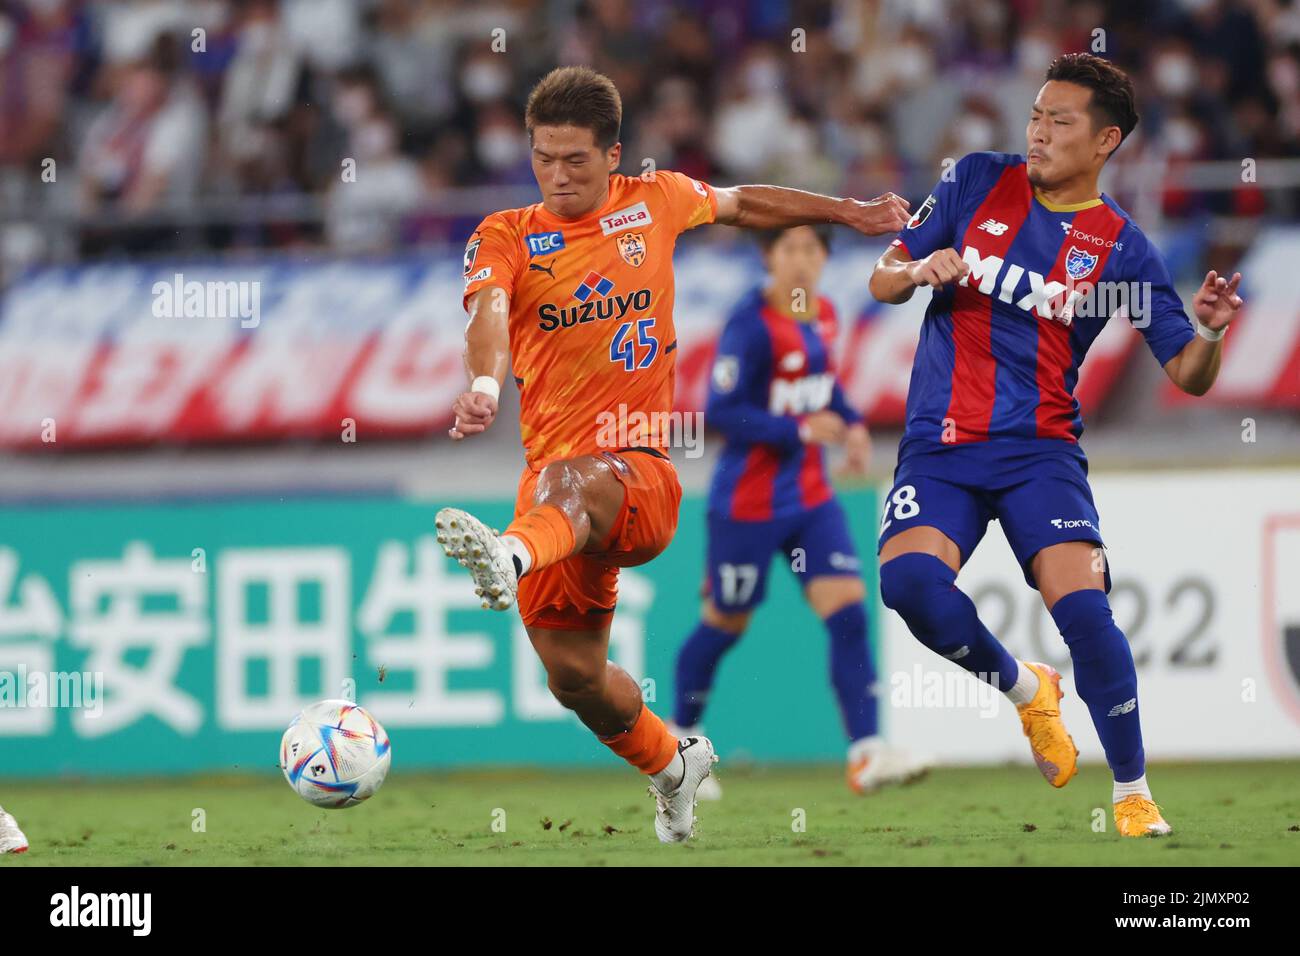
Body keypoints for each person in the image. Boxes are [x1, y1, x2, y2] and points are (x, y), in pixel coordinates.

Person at [437, 65, 909, 843]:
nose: (557, 176)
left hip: (639, 476)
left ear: (613, 155)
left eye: (575, 160)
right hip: (558, 495)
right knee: (575, 677)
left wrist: (848, 211)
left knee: (572, 481)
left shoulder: (654, 202)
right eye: (543, 158)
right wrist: (486, 382)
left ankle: (509, 554)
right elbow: (485, 313)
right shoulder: (504, 234)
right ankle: (672, 764)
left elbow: (746, 202)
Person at [869, 53, 1243, 838]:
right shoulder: (975, 180)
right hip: (940, 446)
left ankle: (1134, 794)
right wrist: (913, 273)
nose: (1037, 133)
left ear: (1106, 141)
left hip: (1040, 452)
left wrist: (1207, 327)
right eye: (1036, 116)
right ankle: (1026, 690)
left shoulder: (1122, 249)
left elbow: (1189, 372)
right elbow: (884, 271)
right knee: (906, 586)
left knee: (1087, 614)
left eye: (1058, 121)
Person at [673, 224, 931, 798]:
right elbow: (721, 410)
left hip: (812, 499)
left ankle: (865, 754)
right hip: (746, 504)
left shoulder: (827, 314)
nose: (801, 261)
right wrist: (798, 429)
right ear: (768, 258)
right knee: (723, 625)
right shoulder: (750, 325)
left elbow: (824, 387)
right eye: (788, 249)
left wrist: (854, 423)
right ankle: (681, 744)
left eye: (812, 249)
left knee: (847, 616)